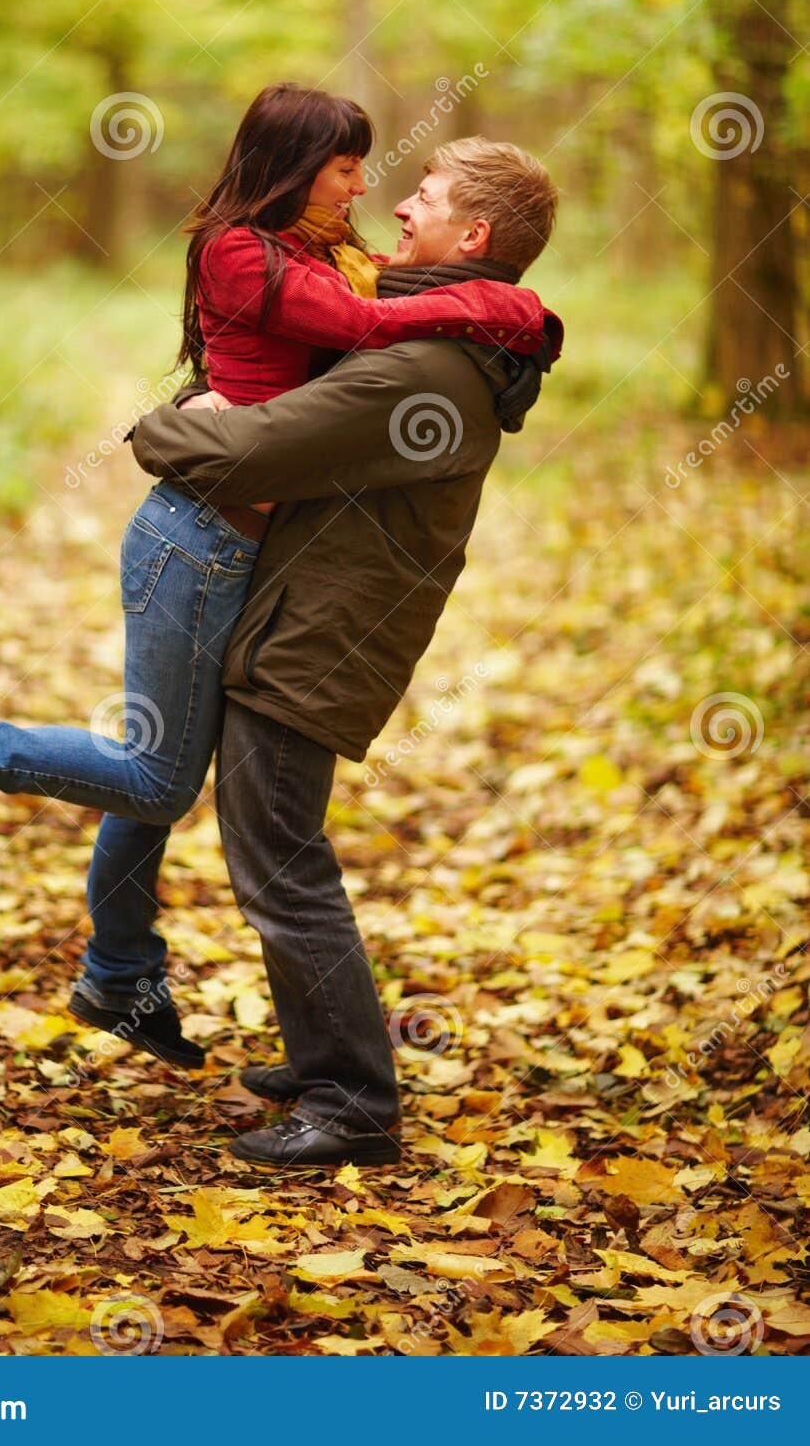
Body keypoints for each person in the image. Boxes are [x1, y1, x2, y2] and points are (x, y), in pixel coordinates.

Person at [0, 89, 549, 1072]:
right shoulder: (246, 250)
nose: (369, 189)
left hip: (234, 549)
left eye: (394, 178)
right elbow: (341, 339)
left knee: (159, 771)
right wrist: (506, 305)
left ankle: (121, 974)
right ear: (295, 167)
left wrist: (504, 309)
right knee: (160, 776)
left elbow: (377, 306)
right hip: (197, 535)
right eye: (347, 167)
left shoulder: (329, 255)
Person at [125, 135, 563, 1165]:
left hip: (314, 642)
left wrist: (161, 423)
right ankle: (324, 1051)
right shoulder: (439, 341)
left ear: (476, 233)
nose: (399, 205)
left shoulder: (425, 369)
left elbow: (250, 446)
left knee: (279, 856)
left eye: (425, 194)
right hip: (308, 624)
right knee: (275, 845)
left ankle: (351, 1100)